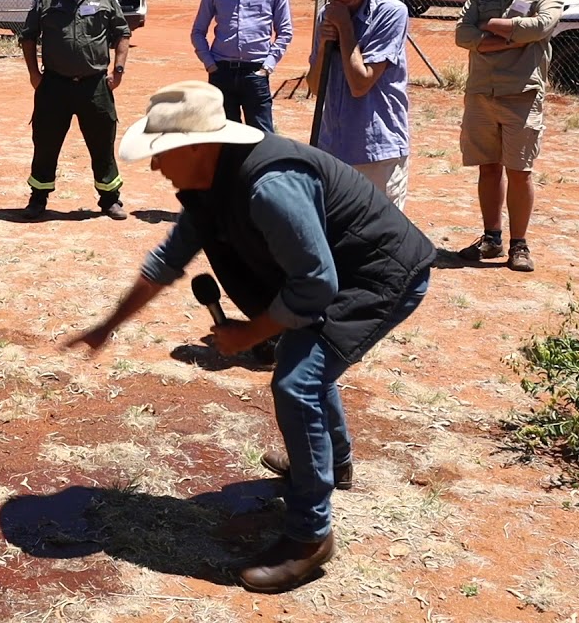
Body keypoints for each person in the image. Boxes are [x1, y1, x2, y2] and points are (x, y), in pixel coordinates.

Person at [67, 81, 435, 593]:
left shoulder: (268, 185)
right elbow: (165, 264)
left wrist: (252, 332)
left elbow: (316, 284)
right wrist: (109, 324)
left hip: (378, 276)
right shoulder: (208, 188)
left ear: (199, 146)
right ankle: (335, 464)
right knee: (302, 362)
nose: (154, 167)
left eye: (161, 153)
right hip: (332, 276)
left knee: (297, 380)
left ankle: (310, 537)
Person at [455, 0, 566, 273]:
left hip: (522, 93)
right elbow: (462, 34)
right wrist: (514, 37)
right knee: (488, 168)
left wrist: (492, 26)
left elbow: (543, 26)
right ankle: (491, 238)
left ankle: (519, 244)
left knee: (520, 171)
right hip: (481, 92)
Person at [19, 0, 130, 221]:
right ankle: (38, 198)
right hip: (54, 85)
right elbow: (28, 36)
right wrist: (34, 74)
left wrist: (117, 71)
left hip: (95, 85)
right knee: (45, 142)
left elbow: (122, 34)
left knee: (102, 142)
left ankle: (109, 199)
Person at [306, 0, 411, 209]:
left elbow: (361, 83)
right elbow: (316, 87)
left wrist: (344, 30)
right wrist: (325, 43)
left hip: (376, 151)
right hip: (333, 146)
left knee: (380, 238)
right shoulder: (326, 16)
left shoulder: (390, 13)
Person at [191, 0, 293, 132]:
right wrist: (210, 64)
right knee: (224, 138)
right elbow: (198, 31)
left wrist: (267, 67)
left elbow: (284, 30)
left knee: (264, 139)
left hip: (255, 72)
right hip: (222, 72)